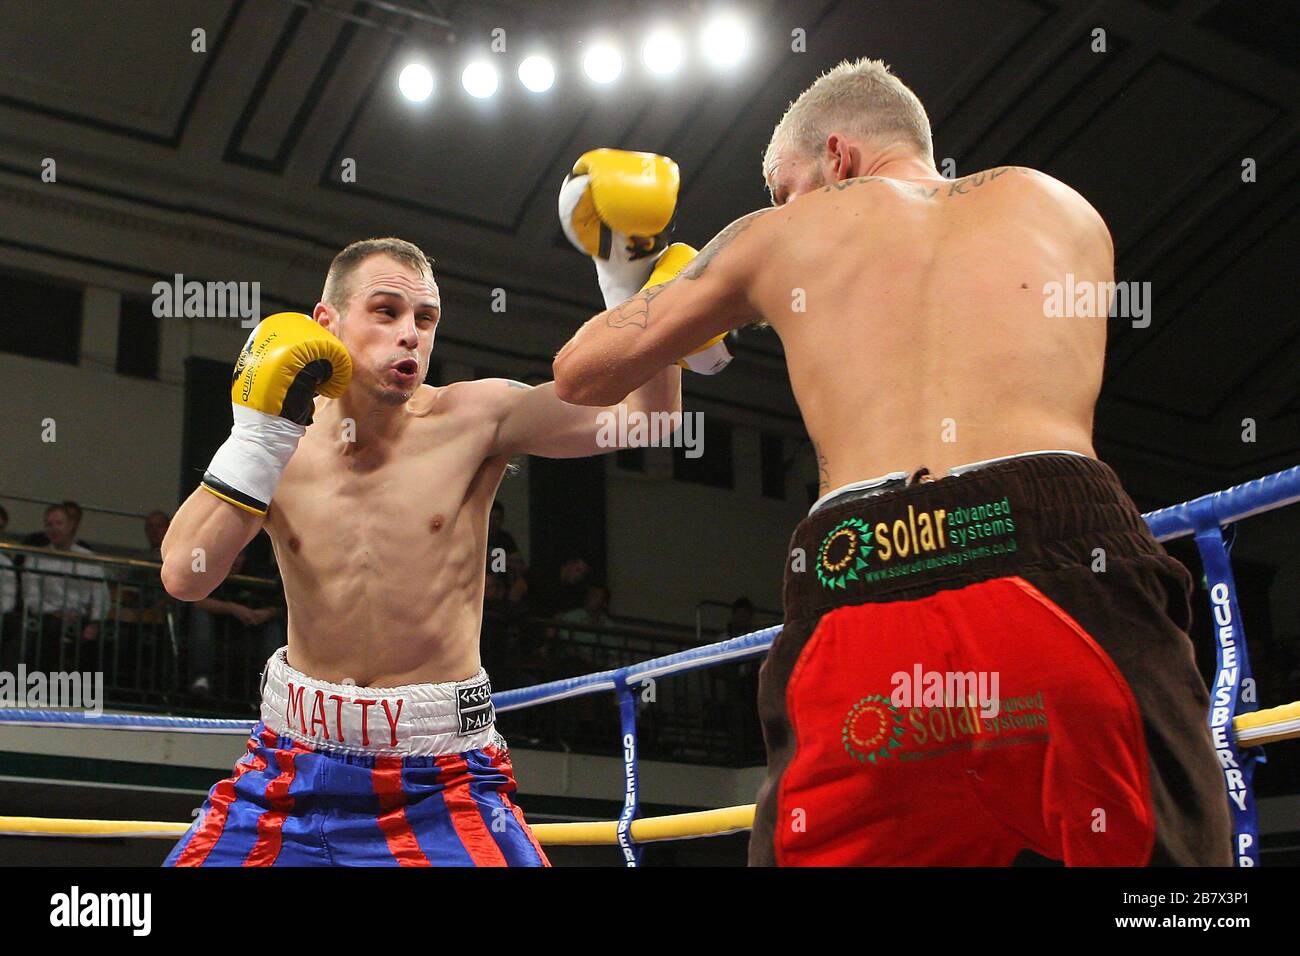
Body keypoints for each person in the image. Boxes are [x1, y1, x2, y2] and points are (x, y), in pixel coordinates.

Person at [552, 58, 1230, 866]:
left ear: (836, 155)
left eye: (783, 186)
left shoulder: (777, 235)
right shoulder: (1059, 203)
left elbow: (581, 372)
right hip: (1061, 553)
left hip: (860, 575)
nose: (782, 206)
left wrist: (625, 265)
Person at [160, 215, 716, 864]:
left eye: (425, 319)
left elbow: (644, 422)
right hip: (292, 764)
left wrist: (643, 297)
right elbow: (184, 576)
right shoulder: (280, 438)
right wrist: (257, 439)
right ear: (325, 322)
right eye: (387, 311)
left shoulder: (472, 417)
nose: (409, 334)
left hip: (440, 777)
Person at [186, 548, 285, 698]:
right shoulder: (208, 572)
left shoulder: (257, 573)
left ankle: (272, 686)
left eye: (240, 555)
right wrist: (232, 608)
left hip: (250, 630)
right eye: (232, 554)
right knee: (201, 619)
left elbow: (280, 606)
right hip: (217, 630)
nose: (236, 560)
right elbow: (197, 603)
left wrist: (264, 614)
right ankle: (202, 677)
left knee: (274, 628)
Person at [18, 504, 108, 667]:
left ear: (71, 525)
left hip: (81, 619)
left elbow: (100, 593)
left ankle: (84, 690)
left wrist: (94, 622)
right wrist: (55, 612)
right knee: (49, 632)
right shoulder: (36, 557)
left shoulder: (88, 557)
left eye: (59, 523)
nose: (54, 529)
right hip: (47, 618)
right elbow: (30, 596)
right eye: (49, 524)